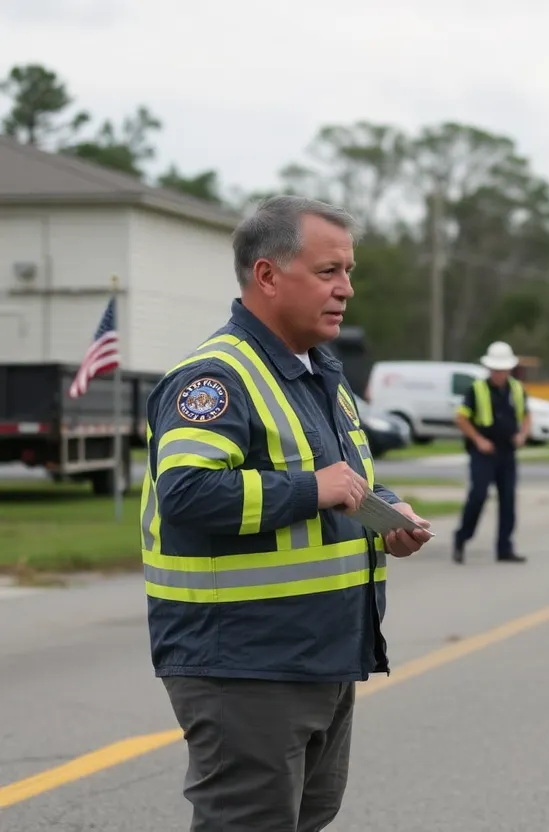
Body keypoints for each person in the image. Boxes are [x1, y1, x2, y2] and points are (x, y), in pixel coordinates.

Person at [140, 195, 435, 832]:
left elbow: (343, 484)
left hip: (319, 654)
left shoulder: (320, 373)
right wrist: (311, 490)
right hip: (244, 660)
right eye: (329, 272)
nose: (346, 289)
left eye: (348, 272)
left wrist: (388, 516)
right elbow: (187, 494)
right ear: (268, 275)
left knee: (306, 816)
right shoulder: (217, 378)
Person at [451, 340, 531, 564]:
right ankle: (462, 538)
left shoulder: (517, 388)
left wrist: (523, 434)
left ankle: (505, 548)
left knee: (508, 500)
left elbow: (526, 414)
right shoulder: (477, 390)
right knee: (478, 496)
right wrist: (478, 440)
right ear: (489, 369)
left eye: (503, 370)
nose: (499, 374)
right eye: (496, 370)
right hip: (483, 452)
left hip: (507, 451)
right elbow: (461, 418)